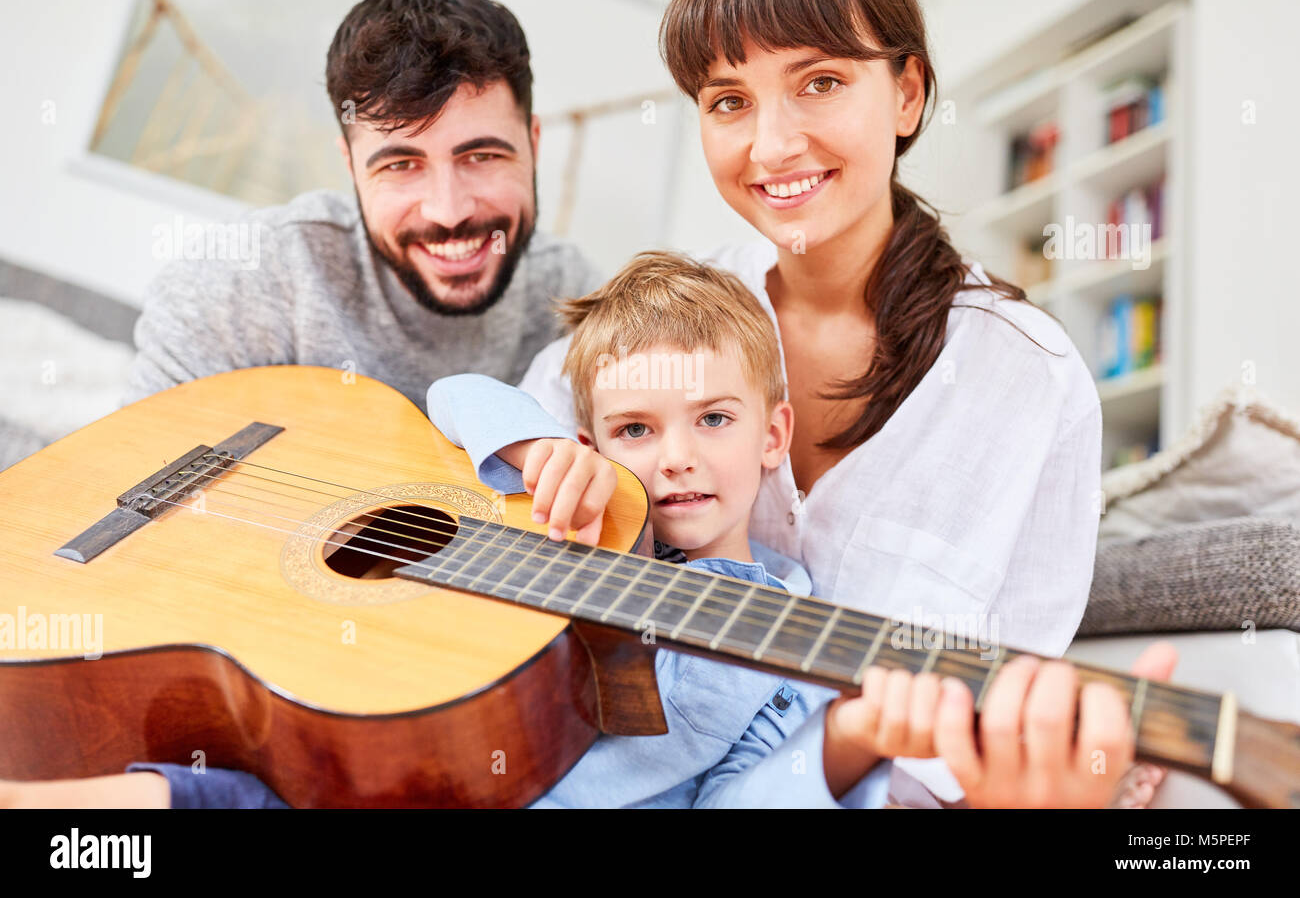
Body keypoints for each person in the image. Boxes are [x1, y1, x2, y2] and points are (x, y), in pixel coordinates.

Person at [0, 253, 1170, 809]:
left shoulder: (800, 619)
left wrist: (855, 739)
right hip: (371, 765)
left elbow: (742, 806)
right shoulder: (565, 499)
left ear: (770, 436)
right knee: (201, 800)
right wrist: (535, 446)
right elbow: (445, 407)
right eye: (635, 427)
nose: (673, 455)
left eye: (711, 419)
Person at [483, 0, 1169, 806]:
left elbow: (992, 704)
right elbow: (503, 438)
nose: (773, 145)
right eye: (729, 101)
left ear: (908, 92)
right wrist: (543, 455)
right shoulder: (672, 310)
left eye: (820, 82)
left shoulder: (1027, 379)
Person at [122, 0, 600, 413]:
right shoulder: (245, 282)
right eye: (401, 165)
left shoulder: (574, 302)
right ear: (351, 166)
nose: (449, 210)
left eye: (482, 156)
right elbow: (135, 483)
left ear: (533, 145)